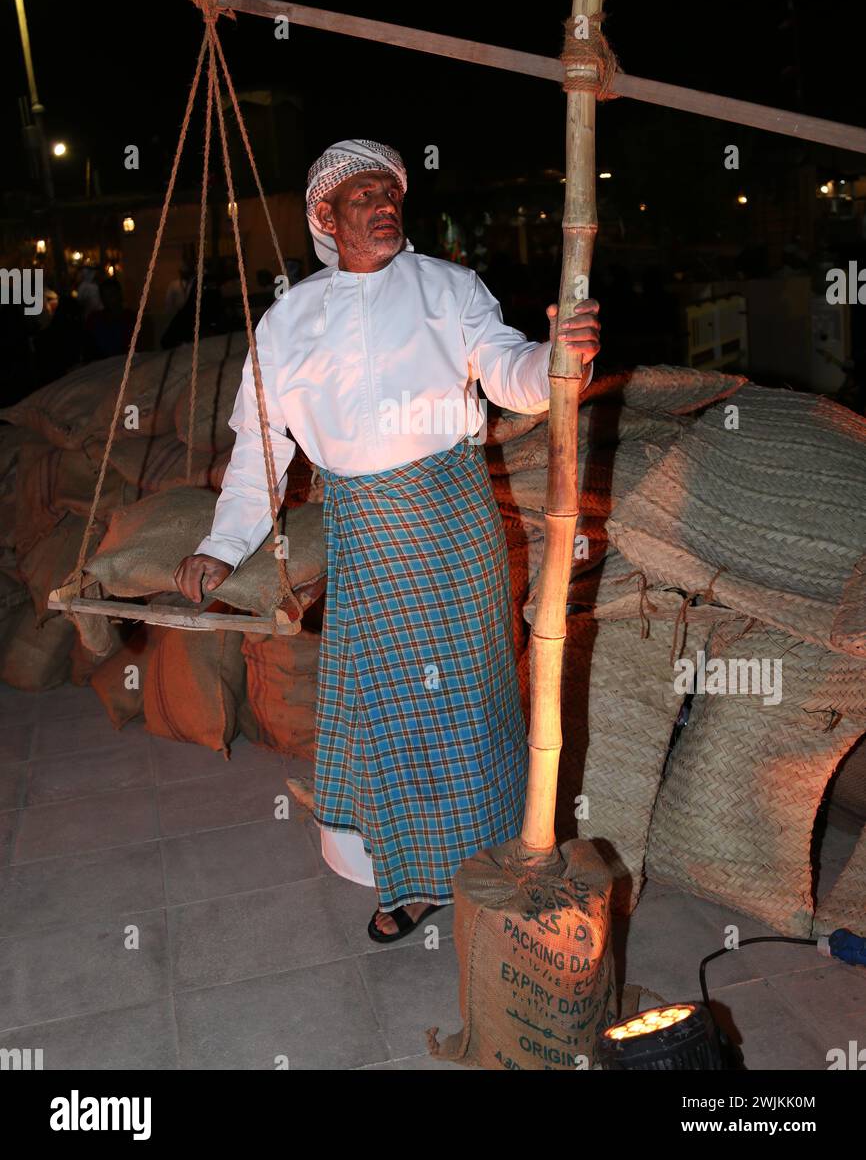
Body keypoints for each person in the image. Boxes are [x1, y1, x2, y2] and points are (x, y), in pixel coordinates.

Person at [173, 138, 600, 944]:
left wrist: (557, 364)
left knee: (472, 708)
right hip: (368, 541)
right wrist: (222, 546)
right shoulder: (288, 321)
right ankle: (406, 880)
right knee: (389, 717)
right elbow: (261, 453)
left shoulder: (450, 287)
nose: (383, 202)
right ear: (324, 216)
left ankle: (488, 871)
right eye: (363, 192)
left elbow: (508, 369)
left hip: (457, 526)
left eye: (391, 190)